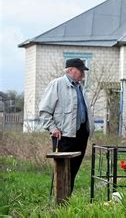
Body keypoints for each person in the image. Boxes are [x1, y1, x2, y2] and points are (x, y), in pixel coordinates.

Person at [39, 58, 94, 192]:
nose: (83, 74)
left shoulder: (80, 87)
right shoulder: (57, 84)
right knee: (63, 170)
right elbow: (44, 111)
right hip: (64, 135)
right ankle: (60, 201)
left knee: (73, 170)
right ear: (70, 70)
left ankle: (67, 199)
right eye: (80, 71)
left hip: (81, 134)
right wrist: (52, 128)